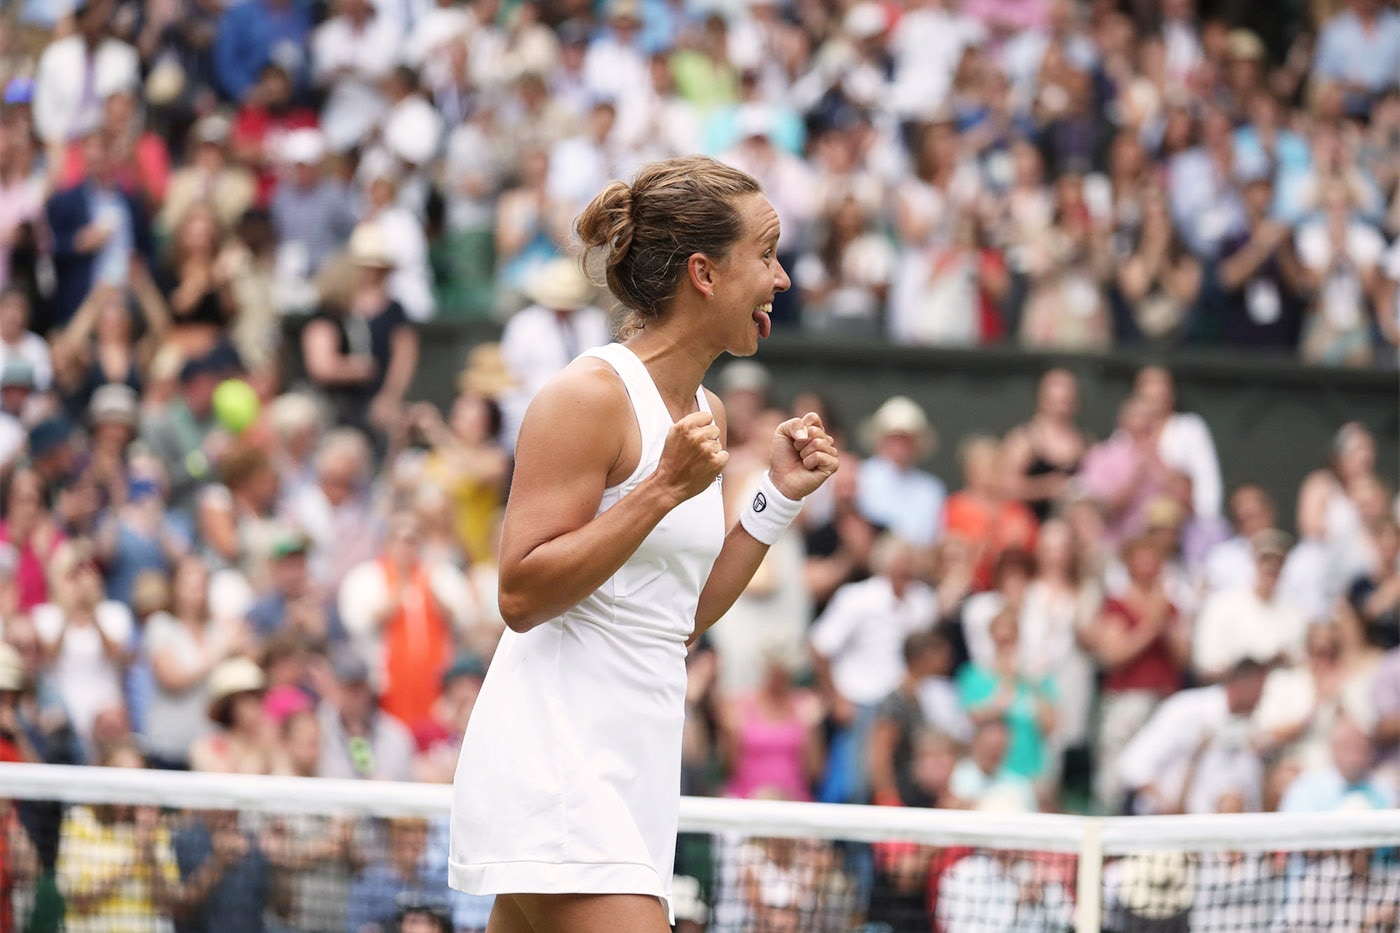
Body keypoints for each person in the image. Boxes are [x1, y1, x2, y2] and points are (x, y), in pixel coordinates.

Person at [449, 156, 838, 932]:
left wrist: (774, 498)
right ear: (704, 271)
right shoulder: (587, 395)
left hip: (633, 773)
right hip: (559, 762)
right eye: (765, 254)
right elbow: (520, 593)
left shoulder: (707, 412)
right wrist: (662, 487)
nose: (782, 279)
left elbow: (679, 618)